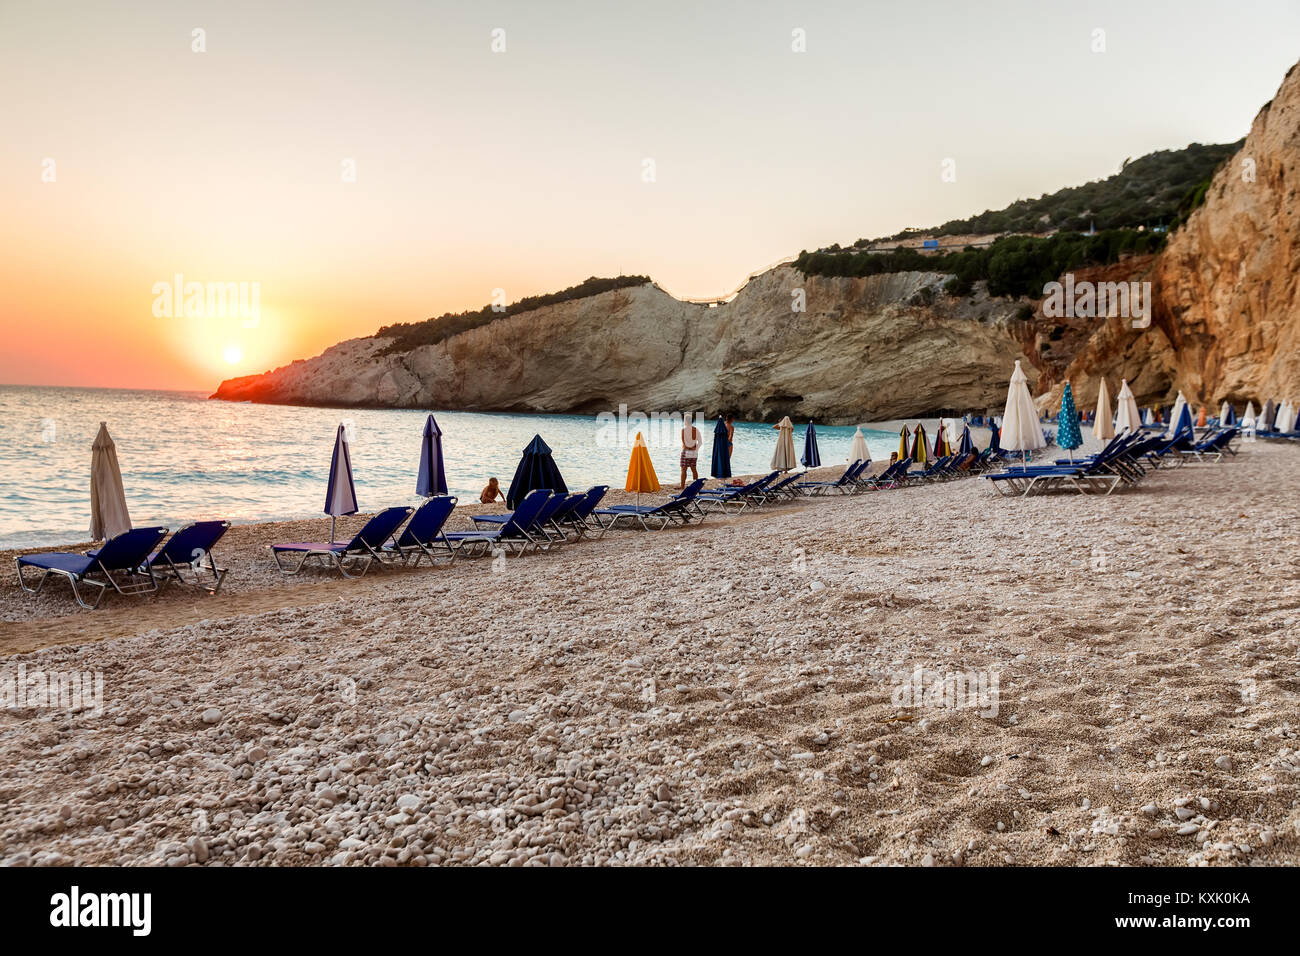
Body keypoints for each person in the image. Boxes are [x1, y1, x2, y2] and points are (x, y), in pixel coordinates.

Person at [680, 413, 701, 489]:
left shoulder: (684, 430)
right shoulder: (696, 430)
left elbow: (684, 442)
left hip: (686, 451)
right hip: (694, 452)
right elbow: (700, 442)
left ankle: (682, 486)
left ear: (686, 421)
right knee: (694, 469)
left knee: (683, 469)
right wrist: (695, 449)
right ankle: (695, 486)